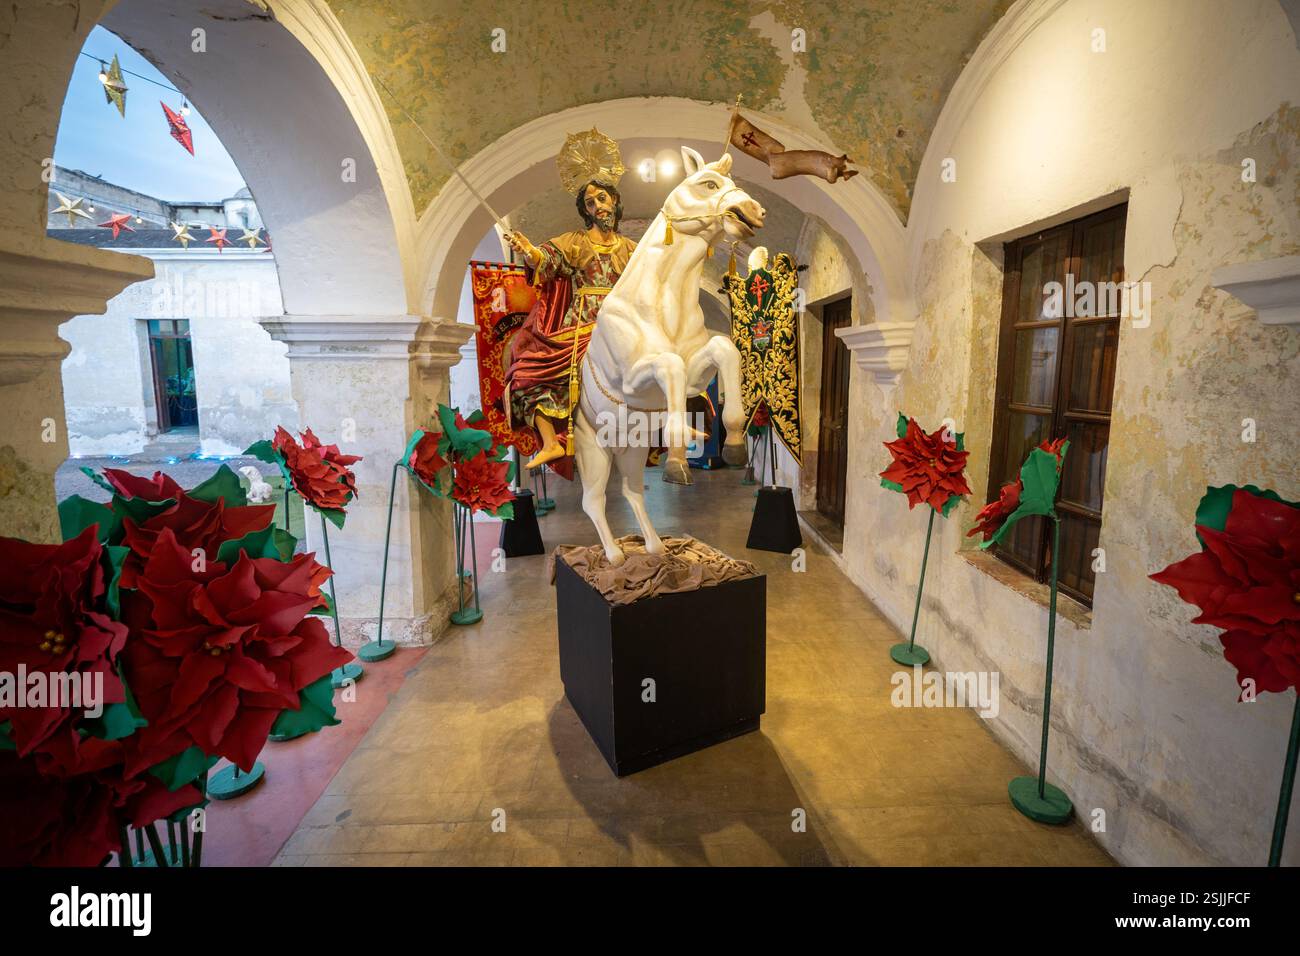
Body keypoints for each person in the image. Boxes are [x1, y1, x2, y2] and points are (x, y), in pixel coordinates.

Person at [504, 175, 636, 470]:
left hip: (622, 321)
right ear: (585, 211)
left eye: (602, 198)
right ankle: (551, 442)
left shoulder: (631, 248)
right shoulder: (574, 242)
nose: (597, 206)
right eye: (590, 203)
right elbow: (547, 259)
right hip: (582, 323)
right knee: (525, 373)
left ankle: (673, 425)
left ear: (614, 200)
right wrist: (529, 251)